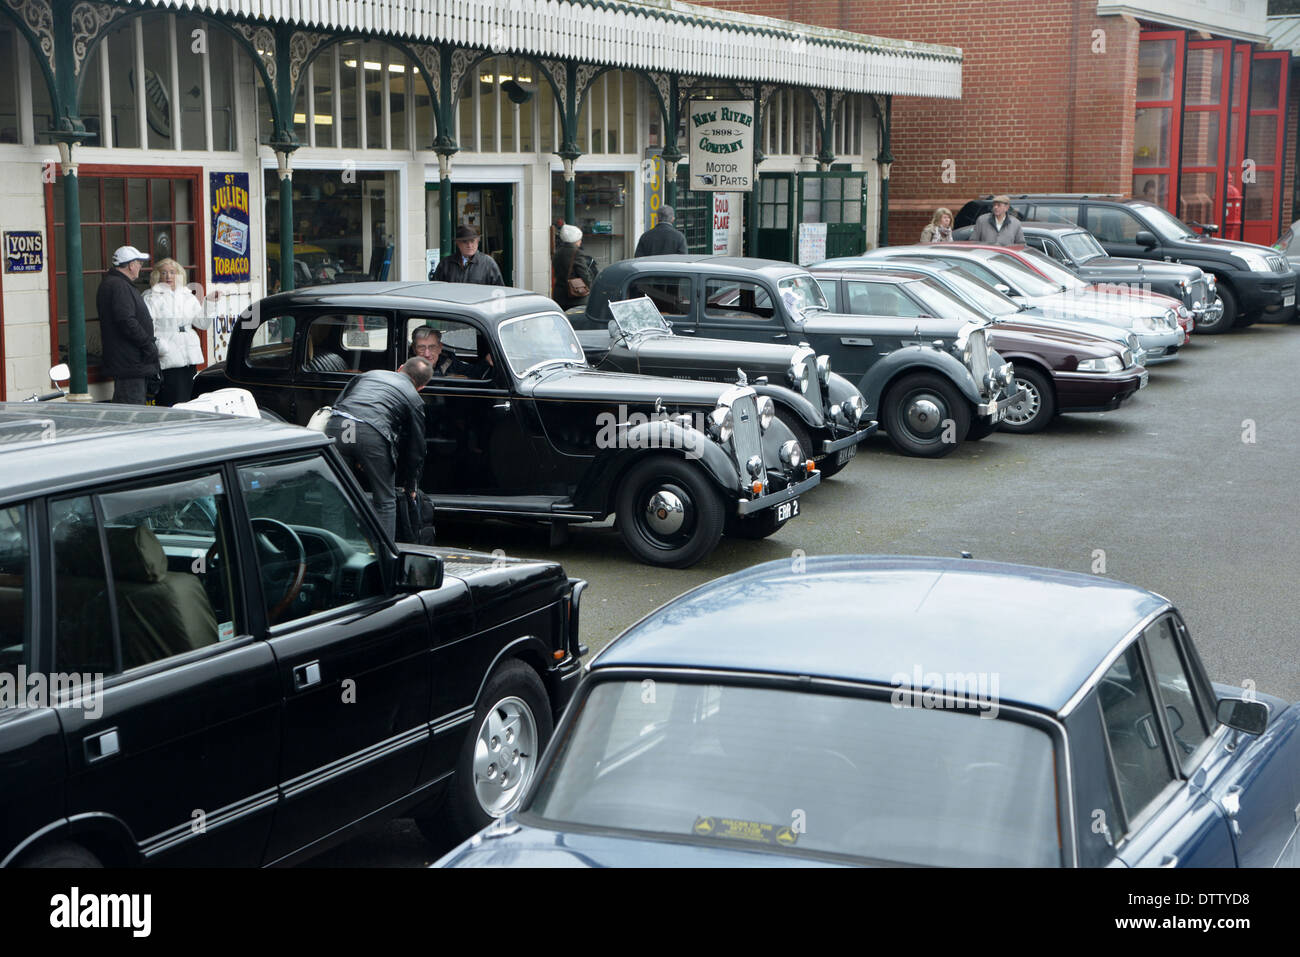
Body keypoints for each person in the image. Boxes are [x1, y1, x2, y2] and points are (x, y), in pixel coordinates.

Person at [324, 358, 432, 541]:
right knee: (385, 501)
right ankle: (383, 555)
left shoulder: (370, 374)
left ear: (400, 368)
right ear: (421, 387)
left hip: (340, 425)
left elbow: (340, 403)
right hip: (372, 433)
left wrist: (356, 450)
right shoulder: (414, 397)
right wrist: (411, 484)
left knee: (334, 496)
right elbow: (417, 448)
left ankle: (334, 550)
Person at [142, 258, 212, 406]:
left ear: (178, 275)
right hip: (168, 358)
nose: (169, 276)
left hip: (188, 358)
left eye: (172, 272)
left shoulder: (187, 296)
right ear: (157, 276)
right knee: (172, 402)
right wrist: (161, 347)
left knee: (189, 401)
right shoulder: (151, 297)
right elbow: (147, 328)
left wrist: (210, 303)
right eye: (164, 272)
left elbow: (202, 324)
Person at [97, 245, 160, 404]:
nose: (140, 267)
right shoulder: (119, 285)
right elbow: (126, 320)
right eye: (139, 263)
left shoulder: (116, 283)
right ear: (131, 265)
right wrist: (148, 344)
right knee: (133, 412)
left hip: (130, 363)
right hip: (130, 364)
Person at [430, 225, 504, 285]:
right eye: (465, 242)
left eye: (472, 241)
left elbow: (498, 291)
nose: (469, 245)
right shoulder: (446, 263)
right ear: (458, 244)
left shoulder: (488, 263)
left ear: (478, 242)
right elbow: (435, 289)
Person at [409, 326, 493, 378]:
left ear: (440, 348)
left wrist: (486, 361)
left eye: (432, 347)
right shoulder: (405, 367)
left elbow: (473, 372)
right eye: (421, 348)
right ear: (414, 349)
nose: (427, 354)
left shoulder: (447, 360)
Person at [552, 223, 598, 310]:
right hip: (575, 297)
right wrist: (590, 287)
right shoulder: (577, 253)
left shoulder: (558, 252)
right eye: (580, 239)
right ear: (575, 240)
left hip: (559, 295)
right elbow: (584, 274)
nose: (580, 241)